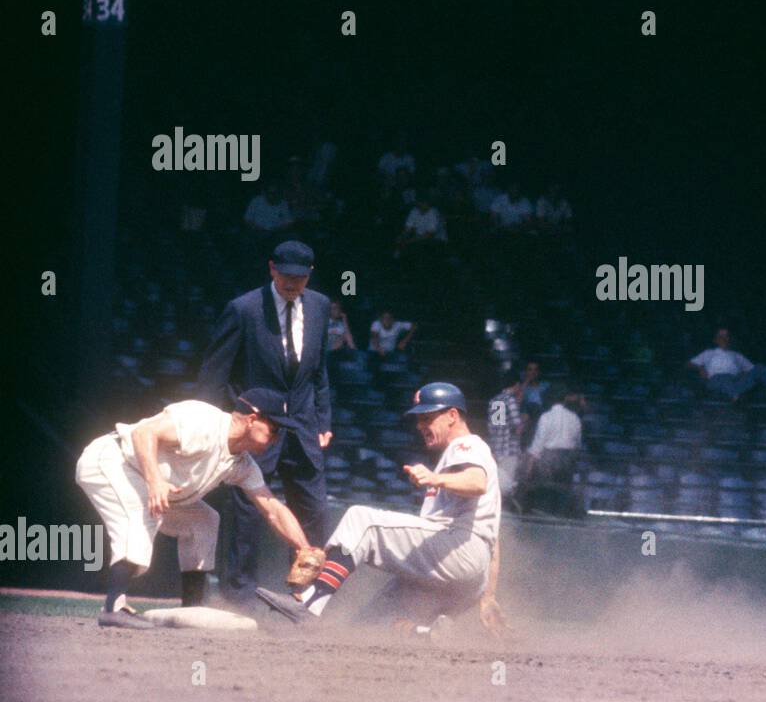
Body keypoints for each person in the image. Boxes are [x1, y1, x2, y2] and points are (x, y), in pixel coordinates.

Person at [256, 383, 506, 636]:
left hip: (456, 551)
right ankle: (425, 635)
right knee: (367, 627)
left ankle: (309, 605)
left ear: (452, 415)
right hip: (463, 574)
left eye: (427, 418)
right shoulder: (463, 456)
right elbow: (492, 541)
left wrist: (434, 478)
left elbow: (476, 482)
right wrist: (487, 595)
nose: (420, 425)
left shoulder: (467, 445)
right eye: (419, 419)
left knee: (361, 519)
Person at [74, 390, 312, 628]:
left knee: (204, 521)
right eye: (274, 429)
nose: (276, 438)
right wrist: (154, 480)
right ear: (252, 419)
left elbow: (272, 508)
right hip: (113, 461)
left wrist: (304, 547)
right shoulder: (204, 421)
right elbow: (143, 432)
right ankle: (113, 607)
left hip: (153, 483)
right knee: (140, 514)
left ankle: (191, 609)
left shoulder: (242, 464)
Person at [198, 240, 333, 604]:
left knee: (315, 510)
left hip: (305, 428)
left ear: (310, 275)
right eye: (286, 275)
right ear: (272, 268)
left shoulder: (320, 307)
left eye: (300, 278)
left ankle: (306, 597)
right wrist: (218, 425)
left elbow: (319, 371)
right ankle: (238, 597)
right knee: (248, 512)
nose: (293, 283)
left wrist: (324, 420)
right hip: (257, 427)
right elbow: (215, 372)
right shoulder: (243, 309)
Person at [521, 388, 586, 517]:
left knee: (545, 488)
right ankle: (560, 514)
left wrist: (529, 464)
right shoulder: (575, 418)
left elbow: (538, 443)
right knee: (562, 489)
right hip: (567, 458)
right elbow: (578, 443)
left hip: (548, 458)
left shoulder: (546, 417)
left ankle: (544, 512)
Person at [687, 327, 766, 402]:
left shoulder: (736, 355)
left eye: (726, 336)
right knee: (722, 378)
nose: (724, 339)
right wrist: (700, 368)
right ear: (715, 340)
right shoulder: (708, 353)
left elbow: (751, 369)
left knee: (759, 367)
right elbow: (689, 364)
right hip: (715, 380)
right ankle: (736, 396)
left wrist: (743, 375)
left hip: (736, 380)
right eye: (721, 337)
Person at [487, 379, 526, 504]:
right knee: (508, 486)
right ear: (516, 385)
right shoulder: (511, 400)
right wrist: (525, 419)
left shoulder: (495, 400)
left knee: (497, 484)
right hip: (509, 450)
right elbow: (518, 428)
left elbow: (496, 426)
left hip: (497, 449)